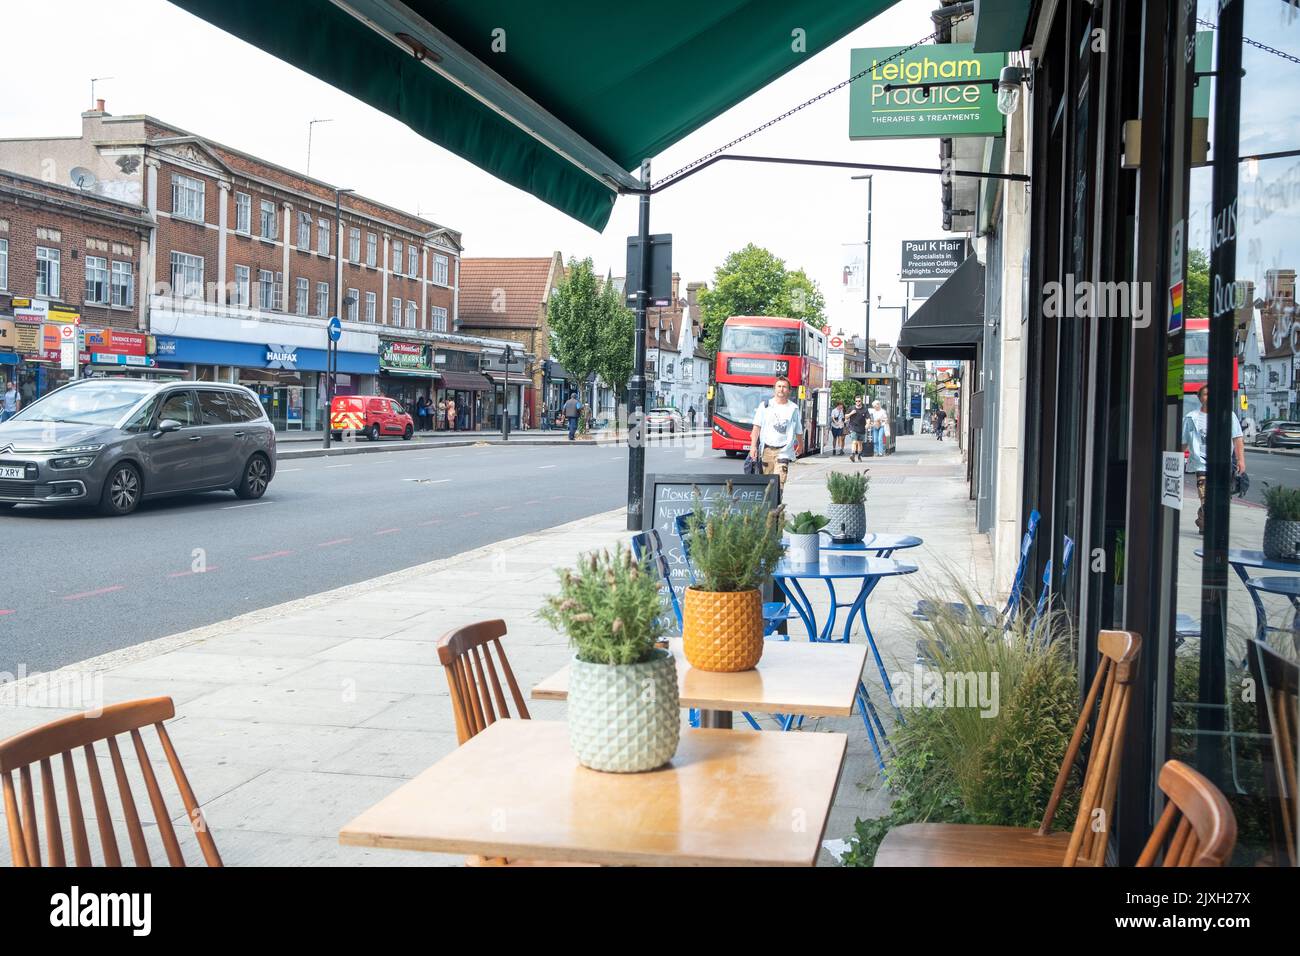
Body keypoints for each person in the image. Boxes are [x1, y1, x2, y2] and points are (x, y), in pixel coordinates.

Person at [1182, 384, 1248, 535]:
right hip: (1201, 463)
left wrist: (1240, 460)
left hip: (1221, 462)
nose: (1209, 397)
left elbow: (1237, 439)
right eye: (1205, 394)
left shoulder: (1228, 415)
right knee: (1205, 497)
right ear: (1200, 398)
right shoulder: (1191, 418)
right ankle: (1211, 525)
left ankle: (1203, 520)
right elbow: (1184, 441)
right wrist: (1174, 458)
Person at [748, 376, 803, 490]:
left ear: (789, 390)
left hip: (783, 451)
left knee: (779, 483)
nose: (781, 389)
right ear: (774, 389)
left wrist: (800, 445)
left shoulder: (793, 408)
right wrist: (753, 447)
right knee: (767, 485)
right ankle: (768, 507)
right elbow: (756, 427)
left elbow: (798, 429)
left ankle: (777, 506)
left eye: (784, 387)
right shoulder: (765, 406)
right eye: (779, 386)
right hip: (767, 450)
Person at [845, 395, 868, 462]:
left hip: (862, 428)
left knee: (860, 443)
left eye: (859, 401)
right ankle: (853, 455)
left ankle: (859, 456)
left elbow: (868, 418)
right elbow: (846, 416)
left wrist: (867, 424)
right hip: (853, 427)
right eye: (856, 401)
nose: (857, 402)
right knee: (854, 442)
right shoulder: (851, 408)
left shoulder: (865, 409)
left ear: (861, 401)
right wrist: (851, 413)